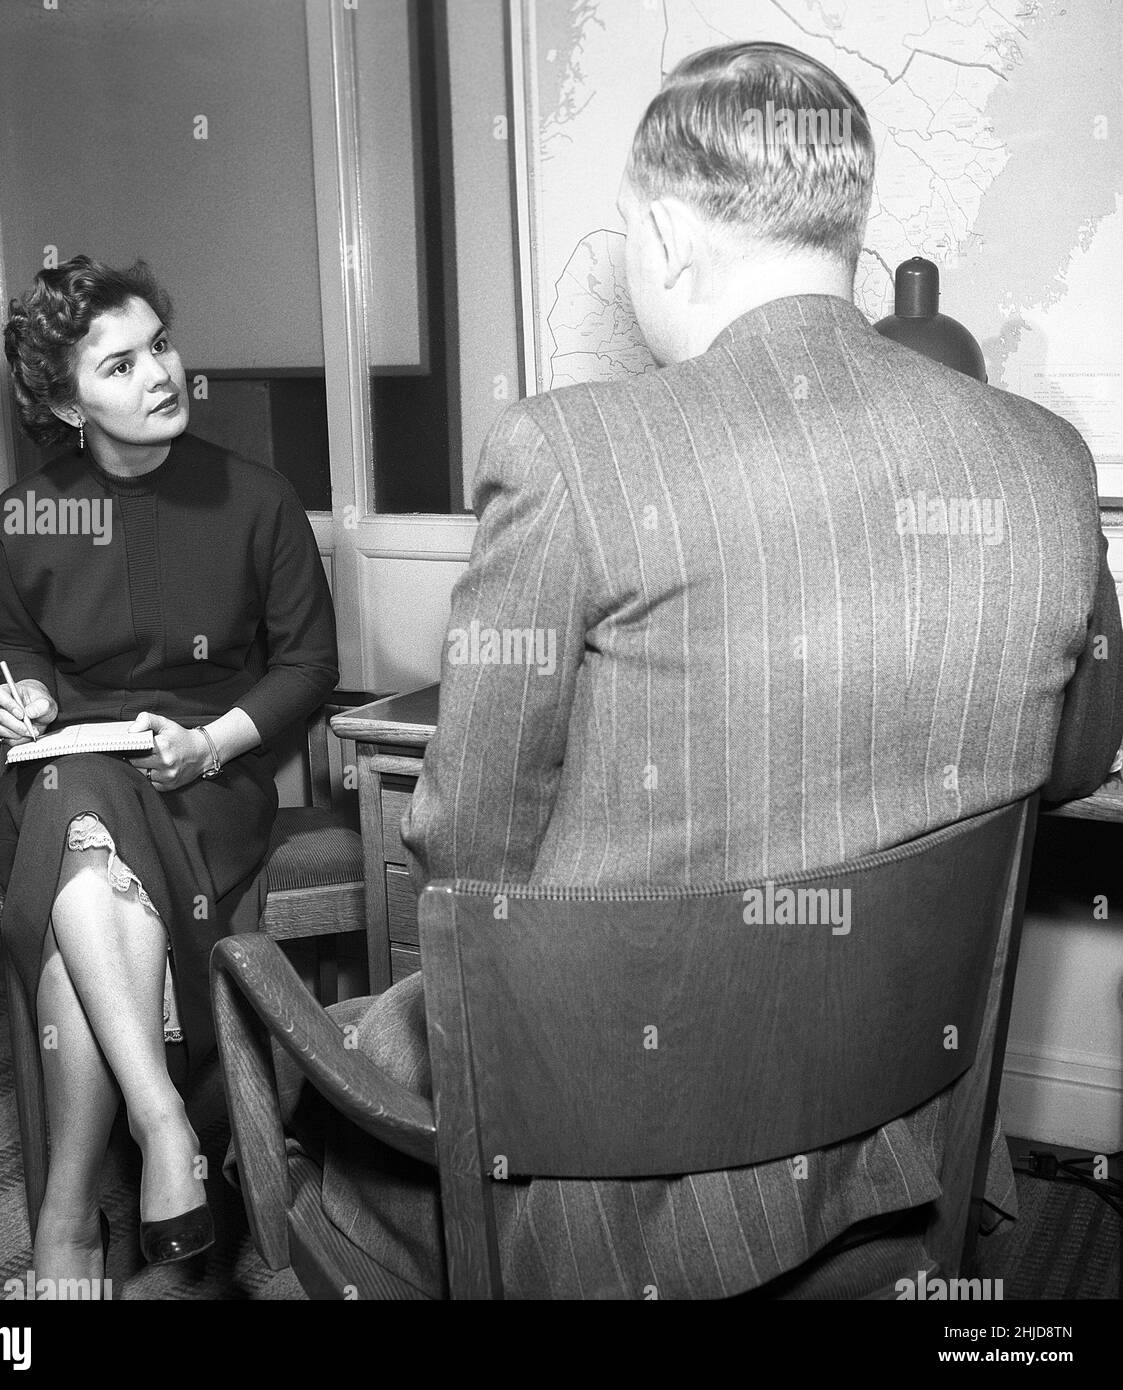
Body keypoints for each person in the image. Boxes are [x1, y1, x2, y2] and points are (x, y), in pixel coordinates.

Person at [290, 42, 1123, 1297]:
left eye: (627, 236)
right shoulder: (1047, 461)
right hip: (905, 1133)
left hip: (610, 1190)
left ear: (669, 234)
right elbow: (1075, 764)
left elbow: (466, 849)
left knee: (307, 1096)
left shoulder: (571, 453)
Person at [0, 256, 337, 1293]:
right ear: (60, 401)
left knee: (77, 902)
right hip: (71, 771)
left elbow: (309, 667)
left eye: (162, 346)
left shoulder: (257, 500)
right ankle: (168, 1122)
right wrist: (24, 698)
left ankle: (68, 1217)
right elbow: (15, 652)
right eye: (122, 363)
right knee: (80, 812)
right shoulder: (20, 521)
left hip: (200, 775)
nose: (160, 374)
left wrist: (212, 742)